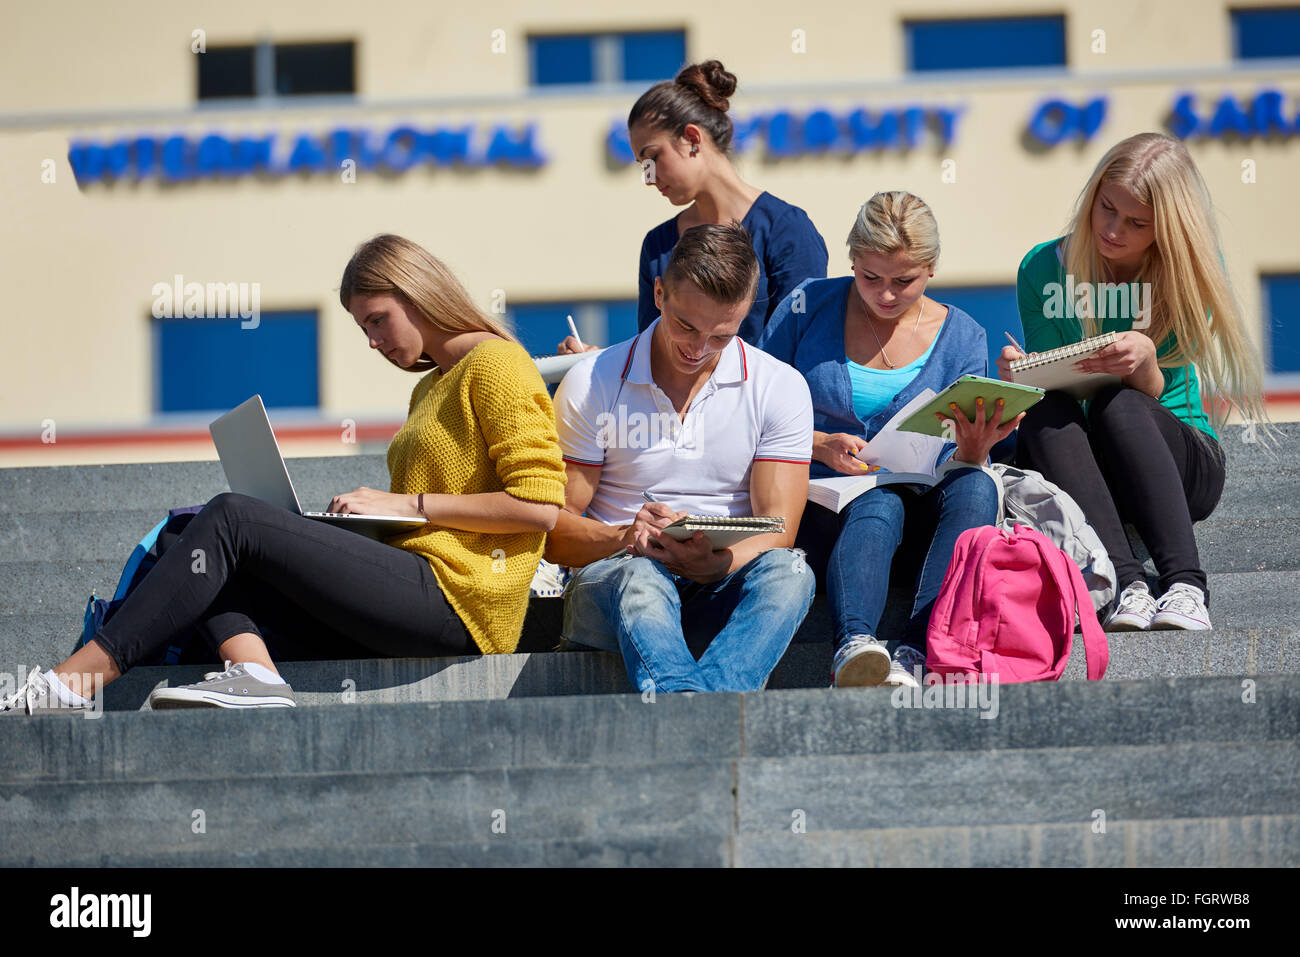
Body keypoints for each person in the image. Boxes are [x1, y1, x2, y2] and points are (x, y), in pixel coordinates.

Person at [1, 234, 566, 715]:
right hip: (412, 583)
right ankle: (256, 677)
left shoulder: (497, 364)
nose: (372, 341)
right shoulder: (429, 386)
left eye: (378, 320)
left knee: (231, 517)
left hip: (460, 602)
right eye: (362, 327)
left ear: (418, 294)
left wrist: (407, 505)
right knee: (186, 535)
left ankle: (70, 685)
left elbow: (539, 506)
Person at [1001, 132, 1266, 633]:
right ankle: (1127, 585)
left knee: (1117, 402)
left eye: (1136, 223)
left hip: (1178, 460)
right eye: (1106, 209)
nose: (1113, 230)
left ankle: (1186, 585)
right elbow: (1054, 387)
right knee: (1042, 408)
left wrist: (1145, 362)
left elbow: (1151, 397)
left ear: (1165, 227)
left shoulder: (1189, 272)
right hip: (1083, 466)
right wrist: (1024, 374)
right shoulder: (1042, 267)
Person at [758, 191, 1017, 689]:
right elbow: (750, 405)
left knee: (977, 486)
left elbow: (958, 455)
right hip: (821, 502)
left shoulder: (963, 335)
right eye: (869, 277)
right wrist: (817, 443)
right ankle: (854, 645)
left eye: (905, 281)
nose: (886, 295)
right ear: (851, 259)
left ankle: (917, 648)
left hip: (921, 498)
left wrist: (975, 448)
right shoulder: (808, 305)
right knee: (881, 503)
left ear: (932, 269)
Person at [546, 222, 816, 693]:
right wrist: (624, 537)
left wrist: (719, 563)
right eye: (686, 326)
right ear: (658, 294)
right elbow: (553, 531)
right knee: (641, 576)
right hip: (617, 577)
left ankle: (690, 706)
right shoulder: (593, 381)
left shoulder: (780, 386)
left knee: (792, 573)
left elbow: (779, 529)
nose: (698, 348)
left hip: (722, 580)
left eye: (721, 336)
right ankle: (702, 713)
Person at [558, 59, 827, 353]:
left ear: (692, 139)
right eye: (641, 165)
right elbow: (655, 357)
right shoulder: (658, 245)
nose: (648, 178)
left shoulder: (786, 230)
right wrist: (601, 365)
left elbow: (802, 348)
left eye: (652, 158)